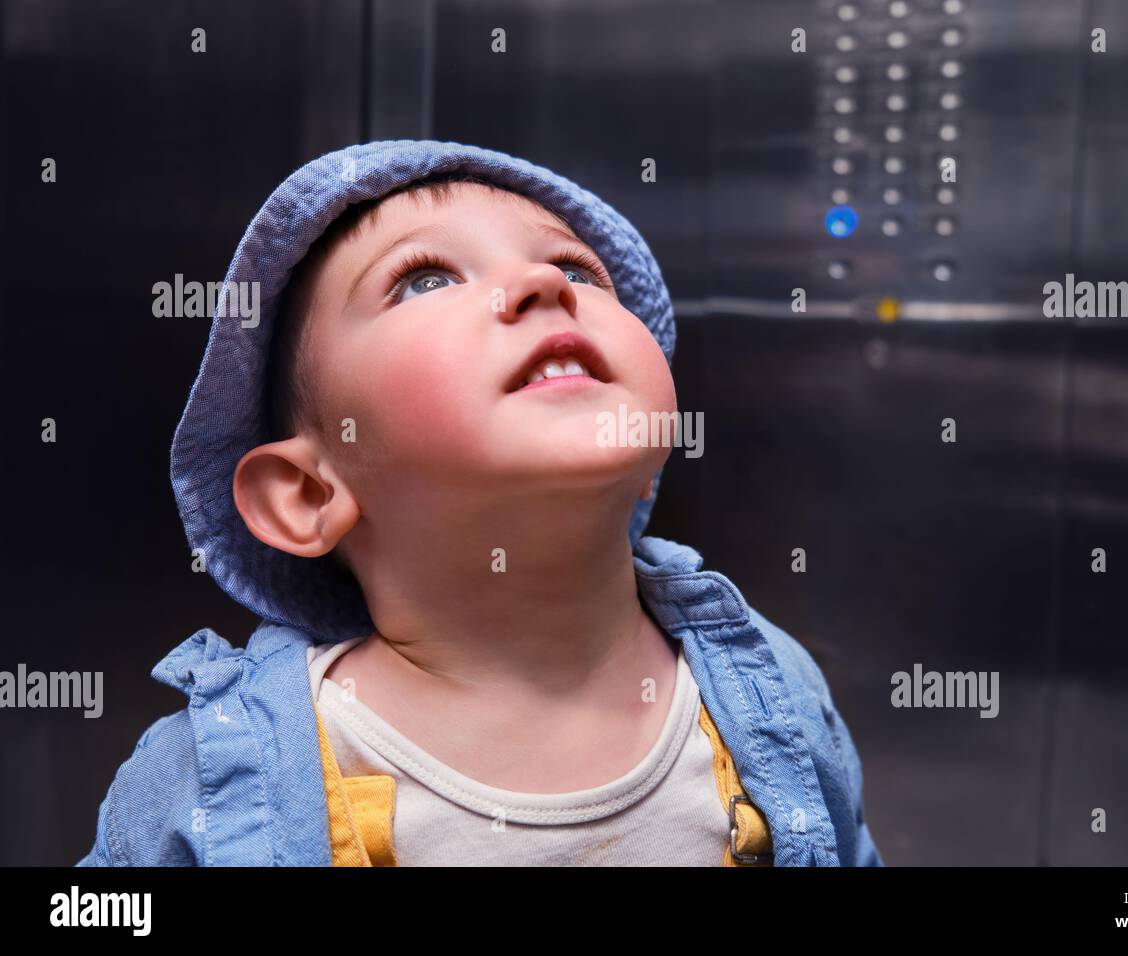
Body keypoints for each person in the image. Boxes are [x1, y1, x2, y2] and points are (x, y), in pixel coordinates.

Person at [76, 140, 882, 867]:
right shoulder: (216, 778)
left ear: (647, 466)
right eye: (425, 278)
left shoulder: (769, 690)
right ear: (309, 493)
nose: (541, 285)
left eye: (576, 272)